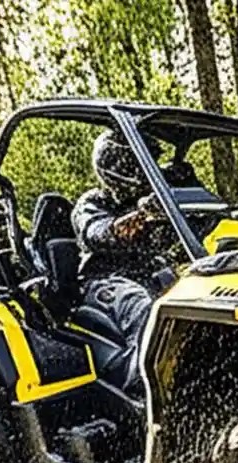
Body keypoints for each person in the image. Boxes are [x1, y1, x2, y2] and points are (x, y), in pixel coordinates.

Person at [69, 129, 173, 397]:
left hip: (150, 272)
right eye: (137, 162)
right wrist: (138, 217)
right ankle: (142, 385)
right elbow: (97, 232)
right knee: (145, 308)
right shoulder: (92, 202)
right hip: (105, 279)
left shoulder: (155, 199)